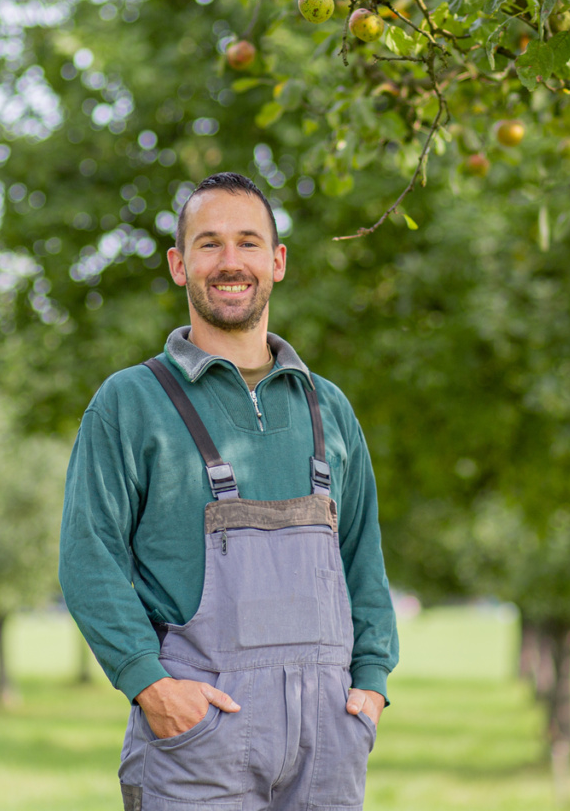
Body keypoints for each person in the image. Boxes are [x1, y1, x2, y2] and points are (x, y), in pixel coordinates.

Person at [60, 171, 399, 811]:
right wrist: (150, 686)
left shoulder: (328, 407)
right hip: (198, 739)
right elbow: (88, 558)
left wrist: (372, 684)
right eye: (209, 244)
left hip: (329, 740)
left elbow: (363, 557)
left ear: (276, 262)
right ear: (178, 264)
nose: (230, 262)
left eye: (247, 243)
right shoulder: (130, 403)